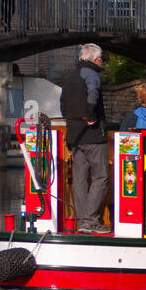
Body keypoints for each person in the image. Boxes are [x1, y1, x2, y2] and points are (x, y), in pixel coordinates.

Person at [59, 43, 110, 234]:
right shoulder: (92, 74)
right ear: (95, 59)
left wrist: (71, 122)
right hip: (93, 135)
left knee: (79, 179)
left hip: (75, 135)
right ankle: (90, 221)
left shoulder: (71, 75)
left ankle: (83, 221)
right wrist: (90, 114)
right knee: (101, 177)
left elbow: (62, 103)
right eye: (101, 58)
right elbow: (93, 94)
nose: (102, 62)